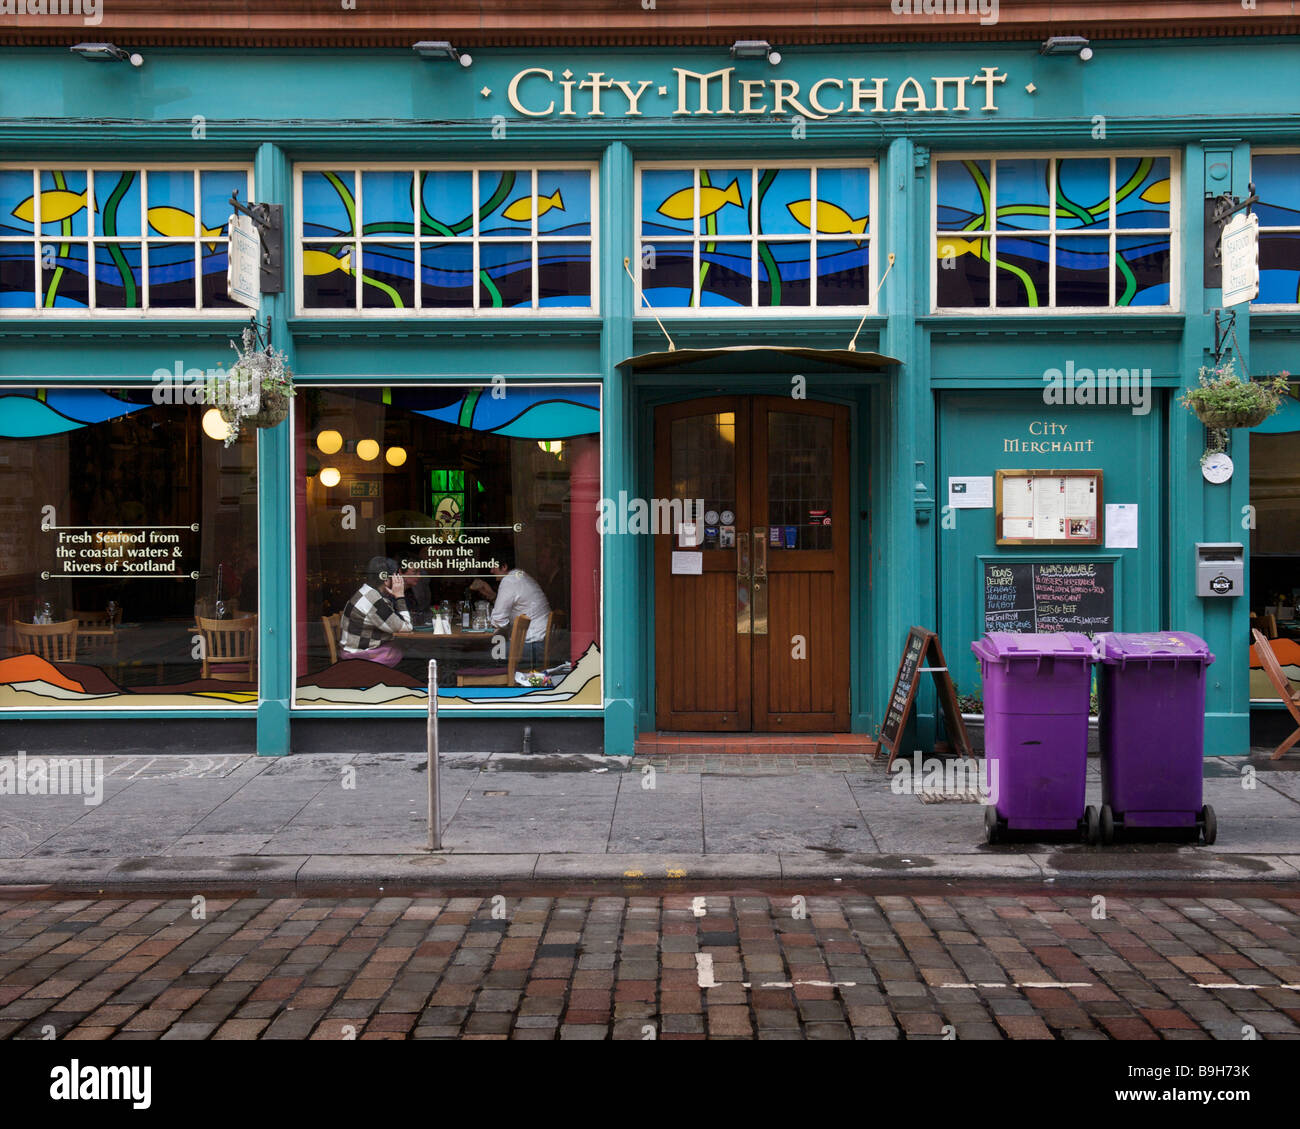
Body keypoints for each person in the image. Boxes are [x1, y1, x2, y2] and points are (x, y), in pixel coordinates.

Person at [470, 555, 552, 669]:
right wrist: (492, 596)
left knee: (473, 655)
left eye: (493, 567)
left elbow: (499, 622)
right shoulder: (521, 576)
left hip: (533, 646)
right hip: (542, 644)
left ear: (504, 566)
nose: (491, 571)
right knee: (482, 652)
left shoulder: (509, 580)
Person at [339, 555, 413, 668]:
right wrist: (400, 596)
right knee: (412, 658)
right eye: (396, 576)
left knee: (405, 649)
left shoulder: (366, 591)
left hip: (354, 651)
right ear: (386, 579)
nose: (399, 580)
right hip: (361, 657)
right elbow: (406, 627)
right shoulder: (374, 601)